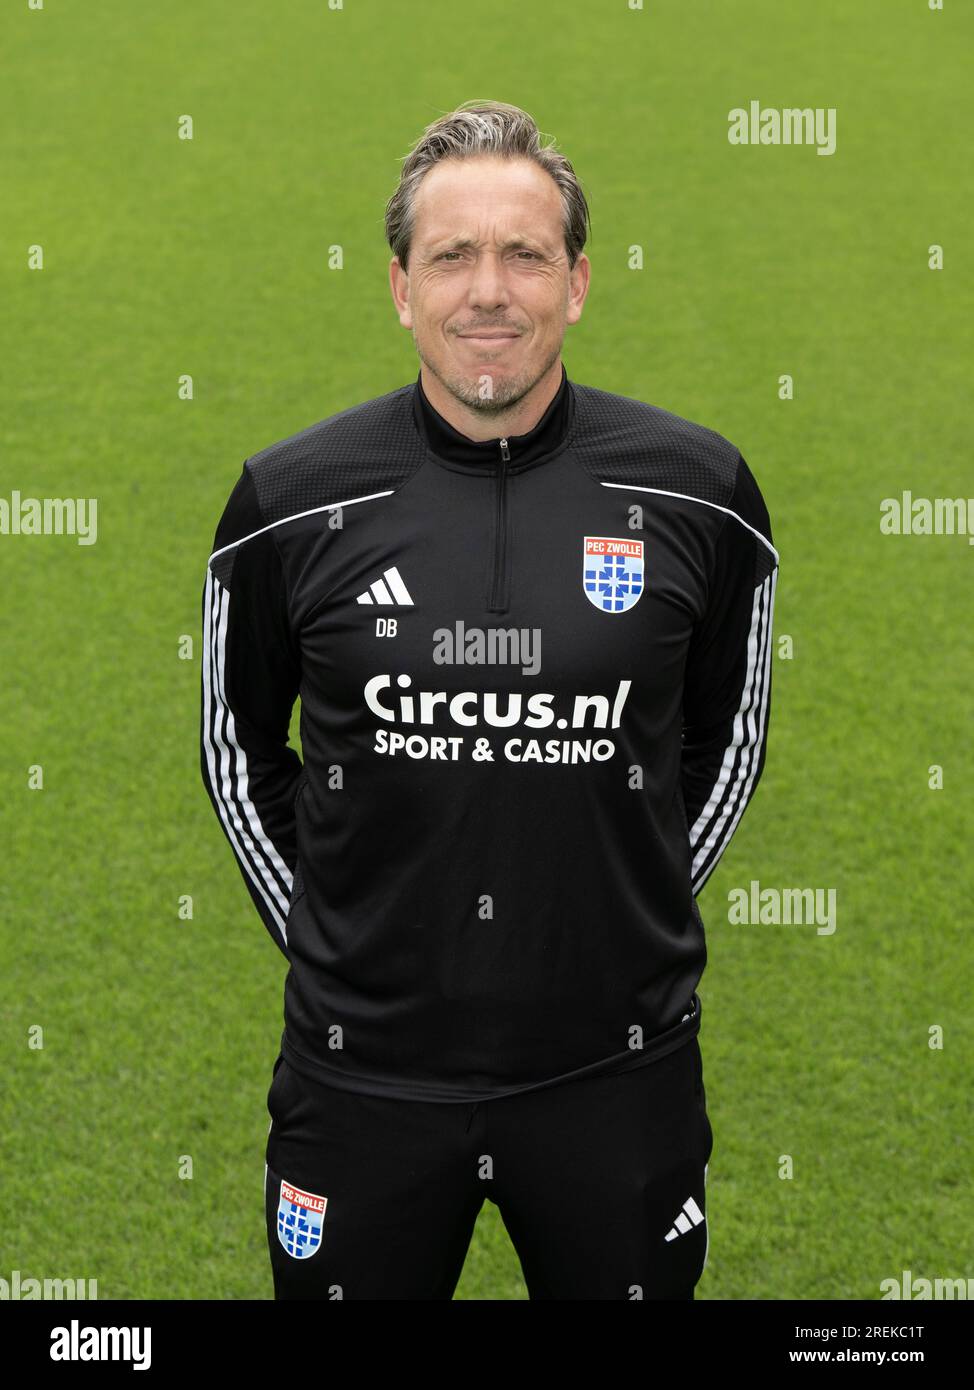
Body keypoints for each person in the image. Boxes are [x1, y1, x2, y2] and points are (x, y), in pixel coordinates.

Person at [199, 99, 778, 1300]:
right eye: (452, 255)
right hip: (363, 1080)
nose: (488, 290)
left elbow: (723, 739)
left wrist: (625, 907)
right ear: (400, 287)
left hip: (612, 1075)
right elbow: (238, 752)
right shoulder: (291, 502)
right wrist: (335, 934)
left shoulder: (698, 493)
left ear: (575, 281)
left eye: (522, 253)